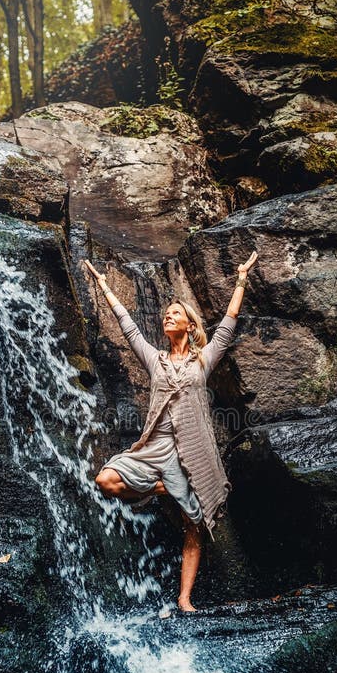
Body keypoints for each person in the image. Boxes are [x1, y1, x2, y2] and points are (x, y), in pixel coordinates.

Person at [85, 251, 257, 612]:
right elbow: (127, 326)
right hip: (155, 448)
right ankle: (165, 488)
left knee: (193, 528)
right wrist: (104, 287)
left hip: (190, 453)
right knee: (106, 480)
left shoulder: (204, 360)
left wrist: (241, 278)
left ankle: (184, 598)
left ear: (190, 326)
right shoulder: (154, 359)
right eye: (166, 314)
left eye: (175, 313)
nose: (168, 316)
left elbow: (228, 322)